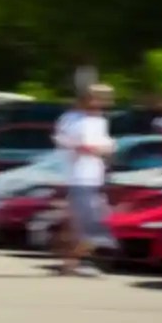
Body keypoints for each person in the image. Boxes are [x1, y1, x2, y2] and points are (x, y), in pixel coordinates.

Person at [54, 85, 116, 276]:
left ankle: (74, 261)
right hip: (78, 175)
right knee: (83, 221)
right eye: (98, 99)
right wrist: (80, 147)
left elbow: (107, 145)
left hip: (95, 175)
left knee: (86, 221)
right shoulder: (71, 119)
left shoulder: (100, 121)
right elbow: (62, 141)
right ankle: (75, 261)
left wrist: (103, 149)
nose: (101, 104)